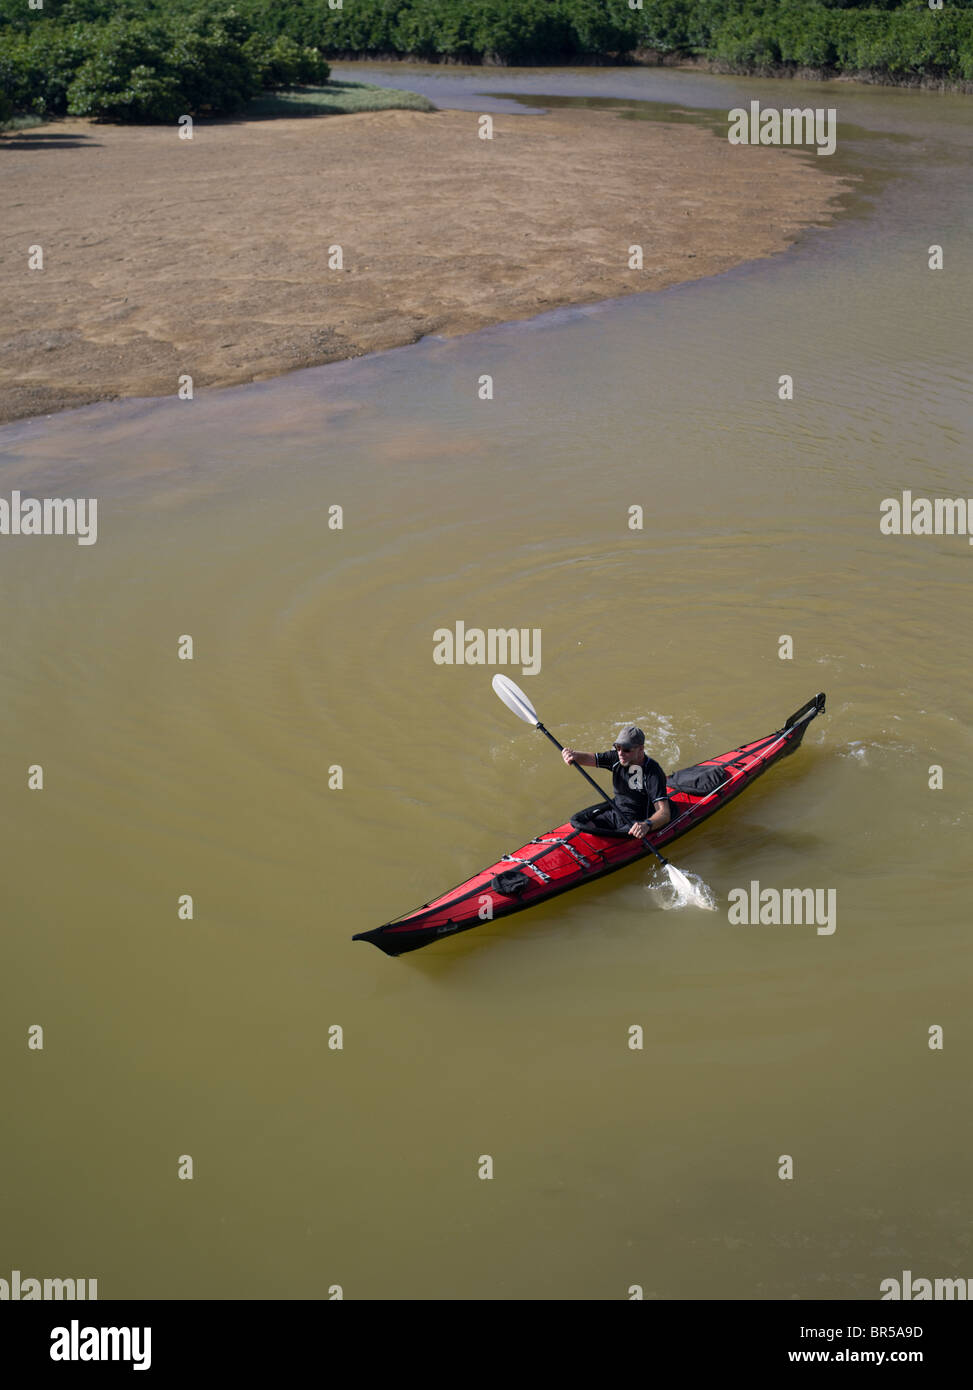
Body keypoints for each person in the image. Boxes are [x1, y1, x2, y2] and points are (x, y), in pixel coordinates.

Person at [562, 724, 671, 838]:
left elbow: (664, 814)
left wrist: (646, 824)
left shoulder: (653, 773)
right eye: (617, 747)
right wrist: (572, 755)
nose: (620, 753)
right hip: (615, 814)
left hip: (636, 822)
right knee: (587, 829)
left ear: (641, 749)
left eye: (626, 749)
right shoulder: (616, 758)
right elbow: (588, 758)